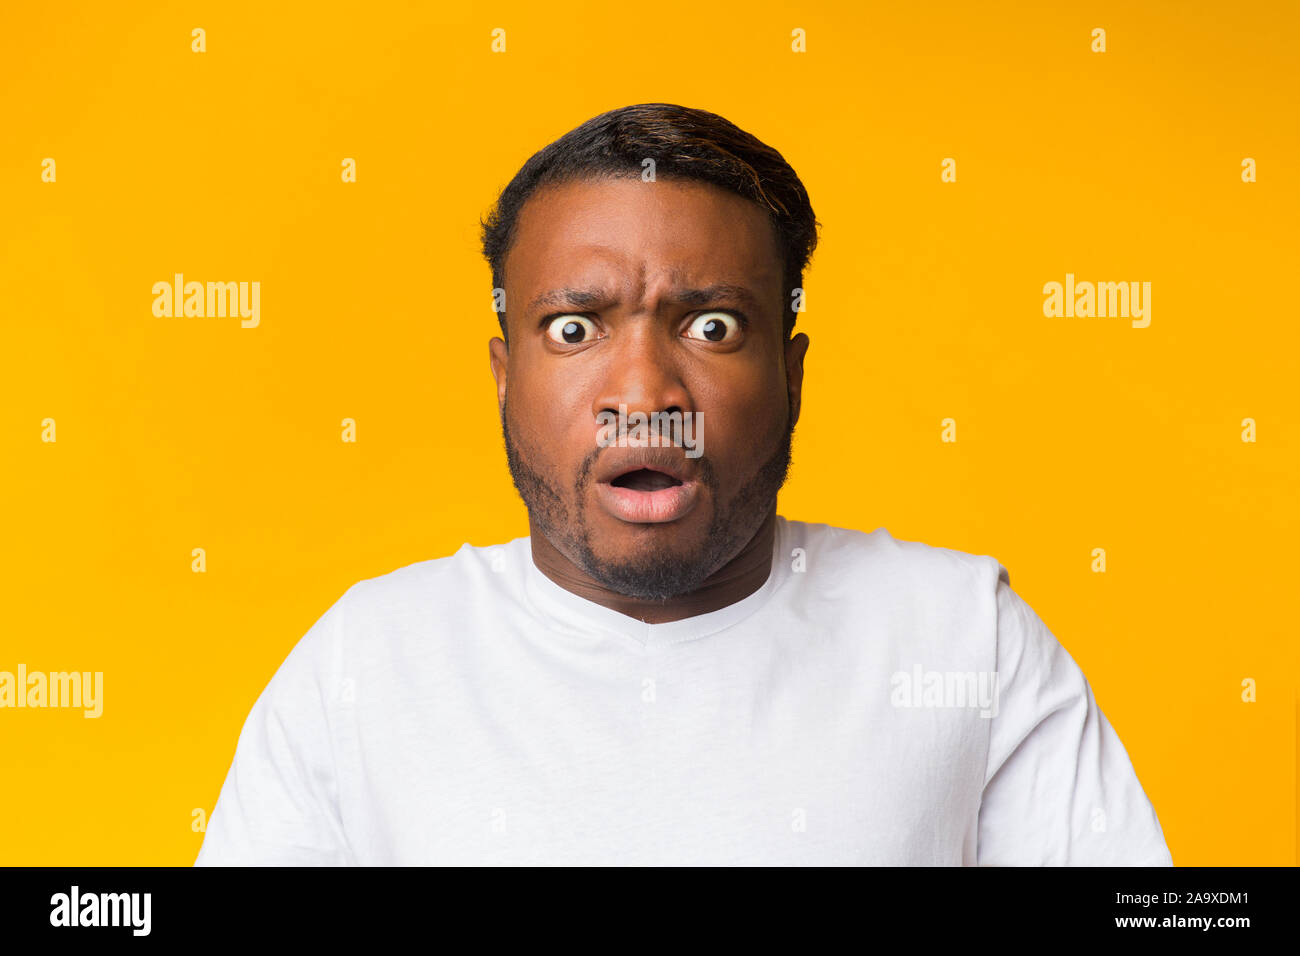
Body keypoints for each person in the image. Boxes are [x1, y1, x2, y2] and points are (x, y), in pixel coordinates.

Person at [195, 103, 1172, 866]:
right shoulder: (364, 665)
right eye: (575, 327)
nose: (644, 391)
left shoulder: (965, 637)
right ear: (505, 375)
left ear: (790, 374)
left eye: (711, 325)